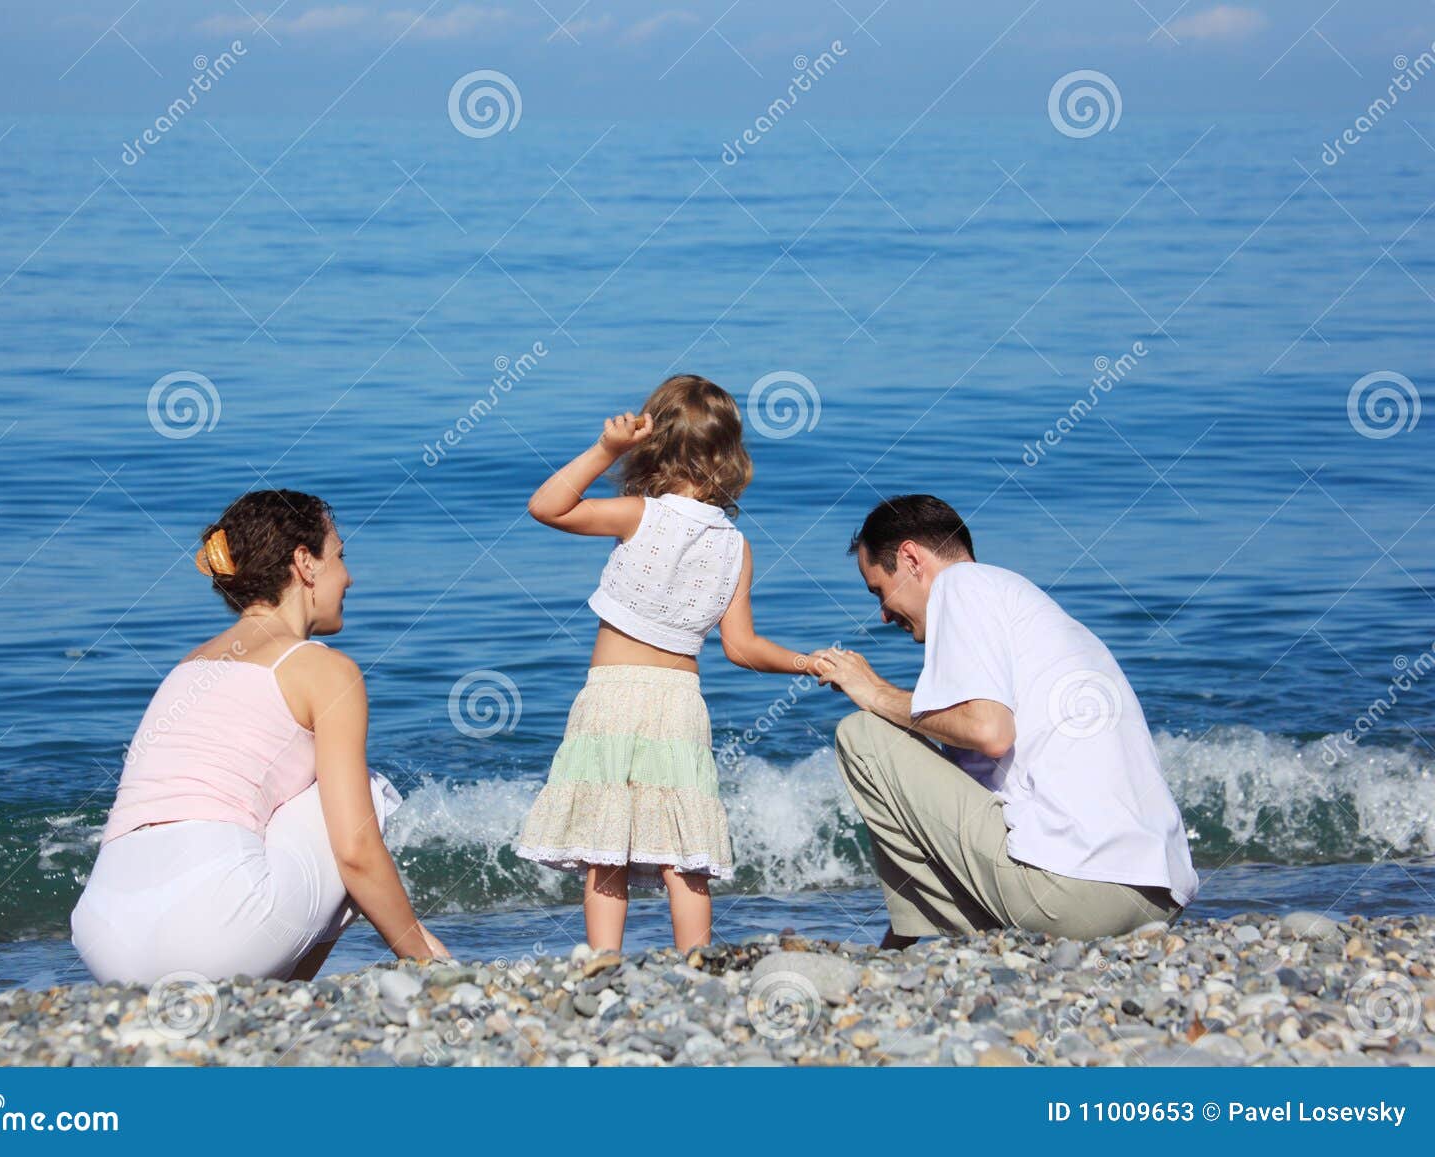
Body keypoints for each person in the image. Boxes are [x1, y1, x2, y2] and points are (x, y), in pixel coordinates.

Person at [71, 489, 447, 984]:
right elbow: (355, 852)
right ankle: (285, 987)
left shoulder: (188, 667)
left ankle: (276, 994)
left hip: (104, 936)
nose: (349, 577)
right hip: (213, 935)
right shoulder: (324, 670)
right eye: (339, 556)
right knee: (364, 795)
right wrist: (425, 960)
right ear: (305, 563)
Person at [814, 494, 1198, 947]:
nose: (882, 614)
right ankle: (903, 943)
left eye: (879, 590)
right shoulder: (1023, 608)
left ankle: (908, 942)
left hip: (1080, 897)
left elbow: (990, 732)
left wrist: (874, 693)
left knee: (862, 735)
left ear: (911, 559)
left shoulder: (961, 586)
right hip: (1158, 893)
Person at [515, 375, 817, 952]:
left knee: (606, 846)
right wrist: (805, 662)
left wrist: (605, 448)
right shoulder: (736, 546)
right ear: (730, 456)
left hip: (611, 696)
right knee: (686, 850)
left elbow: (545, 506)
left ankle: (604, 960)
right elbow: (742, 647)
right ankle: (695, 958)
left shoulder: (639, 514)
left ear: (652, 446)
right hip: (680, 704)